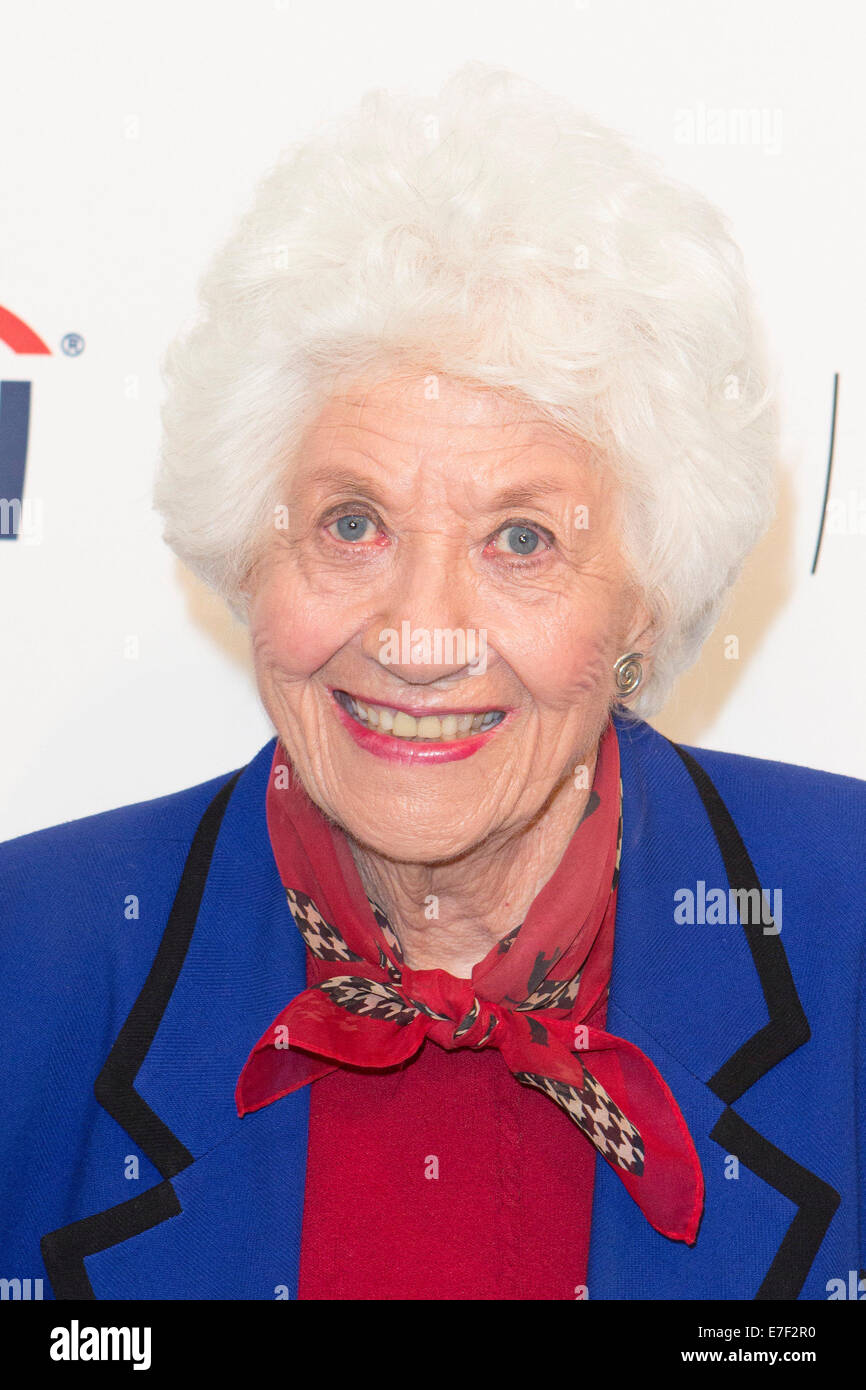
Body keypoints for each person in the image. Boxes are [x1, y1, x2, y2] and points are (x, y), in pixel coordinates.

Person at [2, 63, 863, 1302]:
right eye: (352, 525)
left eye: (521, 539)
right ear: (251, 545)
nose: (417, 636)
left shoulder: (842, 933)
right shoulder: (27, 958)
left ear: (643, 599)